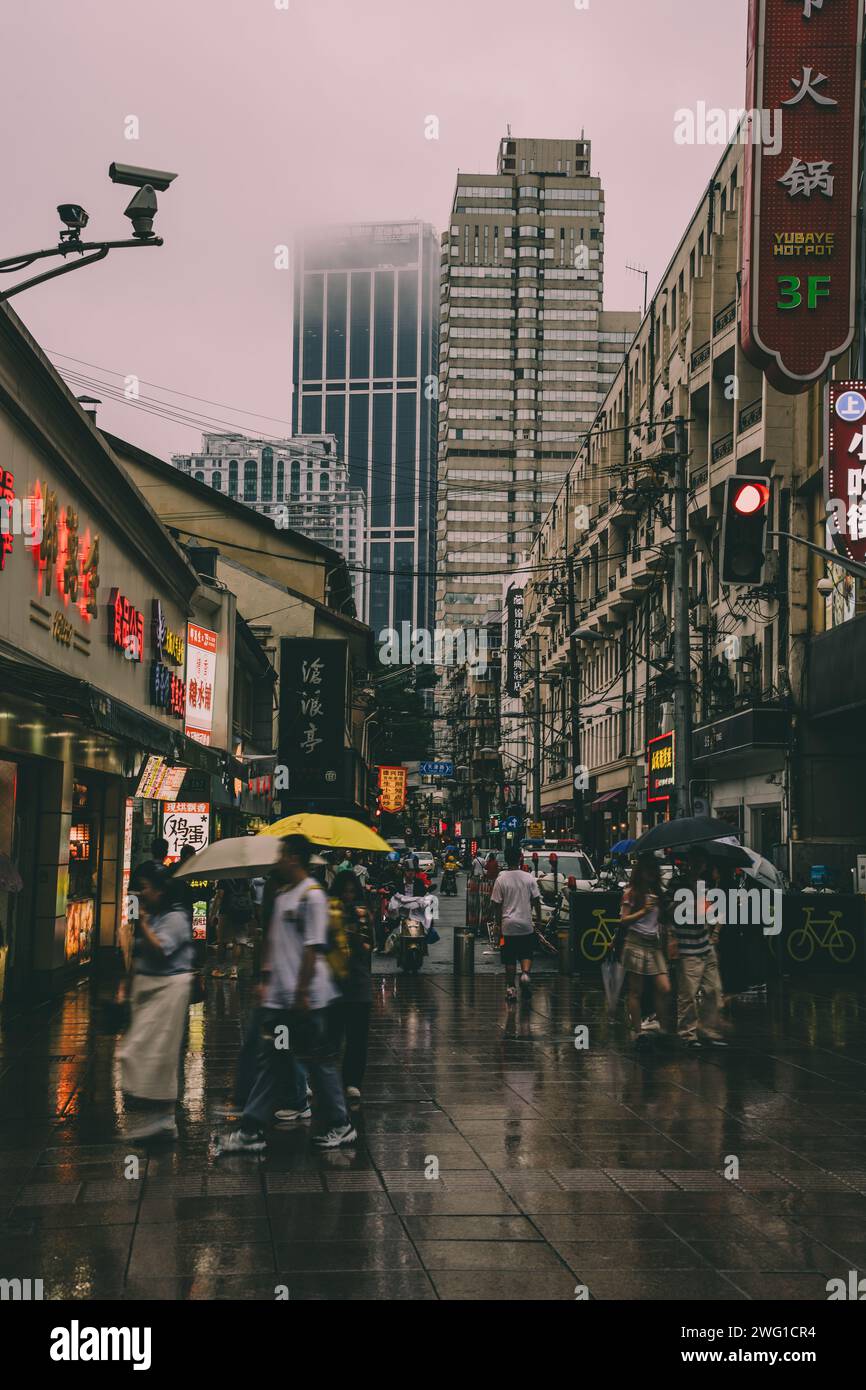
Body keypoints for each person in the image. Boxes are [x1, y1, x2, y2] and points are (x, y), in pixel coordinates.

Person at [218, 834, 356, 1152]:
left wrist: (302, 993)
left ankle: (340, 1124)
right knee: (274, 1059)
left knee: (320, 1061)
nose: (277, 859)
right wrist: (266, 979)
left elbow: (312, 948)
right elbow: (273, 941)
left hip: (310, 1001)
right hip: (281, 1001)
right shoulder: (282, 895)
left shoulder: (312, 896)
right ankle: (252, 1128)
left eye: (282, 854)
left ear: (294, 857)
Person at [118, 863, 194, 1141]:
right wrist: (125, 983)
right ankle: (157, 1115)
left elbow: (162, 950)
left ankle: (164, 1117)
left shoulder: (175, 917)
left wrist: (143, 922)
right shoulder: (150, 915)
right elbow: (136, 952)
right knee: (138, 1051)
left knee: (160, 1053)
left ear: (161, 890)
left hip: (169, 988)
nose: (141, 893)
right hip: (147, 987)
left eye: (145, 887)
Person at [672, 849, 728, 1051]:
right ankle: (688, 1034)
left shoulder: (705, 886)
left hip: (705, 944)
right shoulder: (677, 884)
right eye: (697, 861)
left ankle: (707, 1029)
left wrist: (714, 933)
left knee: (713, 990)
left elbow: (713, 912)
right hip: (687, 946)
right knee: (687, 994)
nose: (701, 865)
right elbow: (668, 912)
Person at [618, 853, 674, 1048]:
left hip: (654, 944)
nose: (651, 874)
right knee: (636, 991)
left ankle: (660, 1024)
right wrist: (643, 911)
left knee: (664, 987)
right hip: (636, 942)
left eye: (654, 871)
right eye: (648, 870)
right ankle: (638, 1031)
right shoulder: (631, 893)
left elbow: (662, 920)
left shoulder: (658, 892)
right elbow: (623, 920)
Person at [330, 870, 374, 1101]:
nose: (348, 896)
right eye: (344, 892)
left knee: (357, 1039)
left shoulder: (363, 914)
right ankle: (331, 1081)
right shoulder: (330, 912)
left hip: (358, 984)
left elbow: (370, 945)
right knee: (333, 1038)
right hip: (334, 985)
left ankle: (353, 1081)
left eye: (351, 891)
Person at [489, 845, 542, 1003]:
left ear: (505, 859)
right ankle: (525, 975)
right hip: (526, 924)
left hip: (508, 925)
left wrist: (497, 923)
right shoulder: (528, 878)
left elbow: (497, 904)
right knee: (526, 953)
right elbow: (536, 900)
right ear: (520, 859)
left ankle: (511, 989)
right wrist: (537, 919)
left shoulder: (501, 879)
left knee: (510, 958)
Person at [211, 877, 255, 978]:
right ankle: (234, 970)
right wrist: (251, 913)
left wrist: (213, 914)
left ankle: (220, 969)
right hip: (241, 911)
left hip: (225, 912)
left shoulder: (223, 879)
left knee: (222, 941)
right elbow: (248, 895)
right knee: (238, 941)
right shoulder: (244, 879)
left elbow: (219, 897)